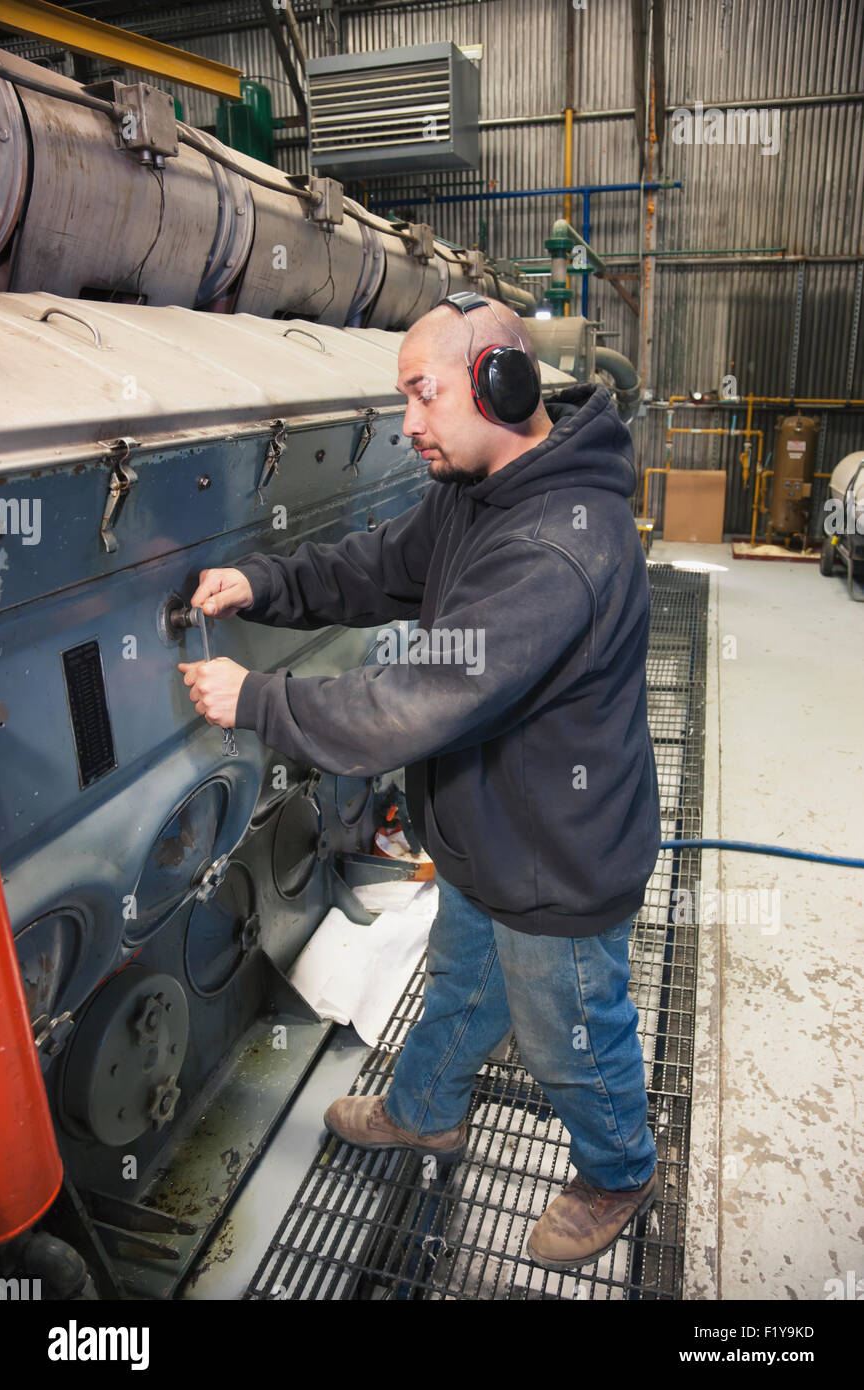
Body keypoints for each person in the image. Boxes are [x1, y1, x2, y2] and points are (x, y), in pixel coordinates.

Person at [178, 295, 661, 1271]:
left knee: (566, 1032)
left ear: (498, 382)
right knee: (460, 984)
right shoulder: (478, 496)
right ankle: (423, 1113)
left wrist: (258, 698)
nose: (406, 422)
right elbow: (381, 566)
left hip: (558, 863)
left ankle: (618, 1167)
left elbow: (414, 701)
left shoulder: (553, 545)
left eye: (420, 394)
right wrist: (264, 584)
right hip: (490, 835)